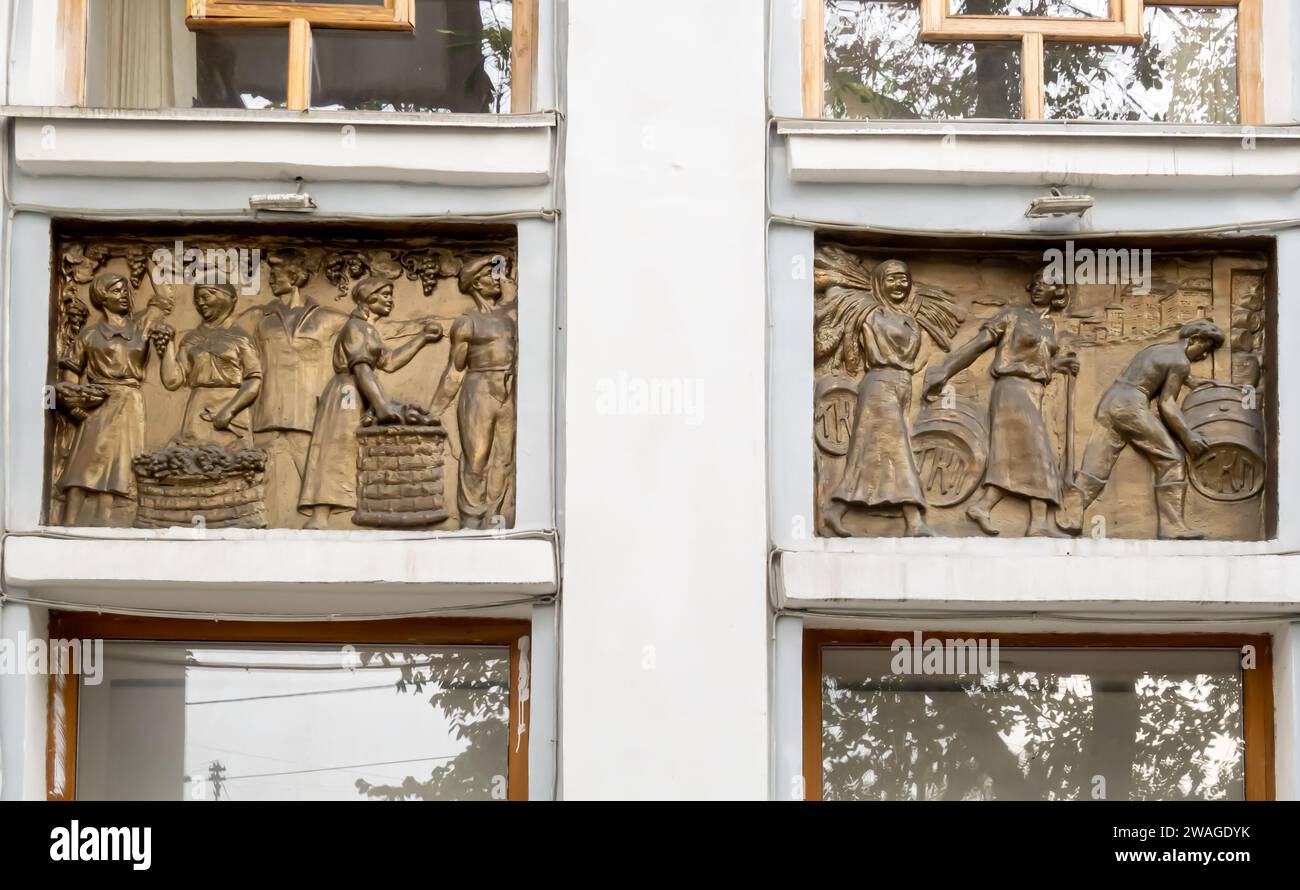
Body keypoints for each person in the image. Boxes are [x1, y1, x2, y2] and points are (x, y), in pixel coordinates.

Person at [922, 270, 1079, 537]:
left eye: (1048, 285)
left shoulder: (1049, 325)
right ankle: (1038, 523)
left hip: (1034, 392)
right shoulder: (1012, 315)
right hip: (1012, 390)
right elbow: (977, 345)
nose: (1040, 288)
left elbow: (1035, 362)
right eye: (1037, 283)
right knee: (1039, 453)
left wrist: (1059, 364)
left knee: (1015, 456)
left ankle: (984, 507)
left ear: (1058, 292)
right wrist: (946, 369)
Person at [1057, 319, 1226, 540]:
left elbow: (1156, 373)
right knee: (1172, 459)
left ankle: (1070, 517)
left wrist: (1192, 381)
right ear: (1194, 339)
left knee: (1096, 466)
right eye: (1206, 348)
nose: (1204, 356)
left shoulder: (1157, 349)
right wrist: (1188, 436)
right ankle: (1172, 526)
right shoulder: (1180, 361)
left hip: (1111, 402)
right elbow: (1166, 404)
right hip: (1131, 406)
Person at [298, 277, 443, 529]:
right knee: (337, 449)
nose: (390, 300)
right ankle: (319, 518)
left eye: (391, 294)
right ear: (368, 298)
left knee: (352, 449)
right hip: (348, 392)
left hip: (358, 390)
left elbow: (389, 362)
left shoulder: (368, 329)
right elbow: (363, 368)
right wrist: (382, 406)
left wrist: (421, 338)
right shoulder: (356, 327)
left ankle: (344, 510)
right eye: (385, 294)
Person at [820, 259, 938, 538]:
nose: (899, 284)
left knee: (870, 454)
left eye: (904, 278)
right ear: (878, 283)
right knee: (897, 450)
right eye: (891, 279)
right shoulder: (870, 313)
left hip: (901, 388)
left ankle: (835, 510)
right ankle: (914, 520)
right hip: (879, 386)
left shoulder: (908, 318)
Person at [57, 271, 171, 525]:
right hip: (98, 402)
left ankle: (104, 522)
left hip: (129, 403)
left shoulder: (140, 327)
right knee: (83, 464)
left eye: (126, 290)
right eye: (116, 290)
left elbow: (165, 298)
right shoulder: (89, 335)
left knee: (118, 467)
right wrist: (76, 408)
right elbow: (70, 377)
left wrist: (152, 259)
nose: (124, 296)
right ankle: (69, 522)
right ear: (101, 297)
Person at [430, 255, 519, 530]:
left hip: (506, 391)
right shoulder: (466, 323)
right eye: (490, 277)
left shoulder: (508, 319)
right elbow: (455, 371)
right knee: (477, 457)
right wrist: (434, 409)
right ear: (476, 284)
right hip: (478, 391)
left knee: (504, 457)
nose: (497, 280)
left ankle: (494, 516)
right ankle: (470, 520)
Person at [157, 281, 262, 447]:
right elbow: (172, 381)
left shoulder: (240, 338)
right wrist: (168, 344)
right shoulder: (191, 339)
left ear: (225, 298)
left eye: (205, 297)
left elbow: (253, 380)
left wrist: (230, 411)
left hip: (232, 408)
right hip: (198, 408)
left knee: (235, 463)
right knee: (192, 464)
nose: (200, 303)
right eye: (197, 299)